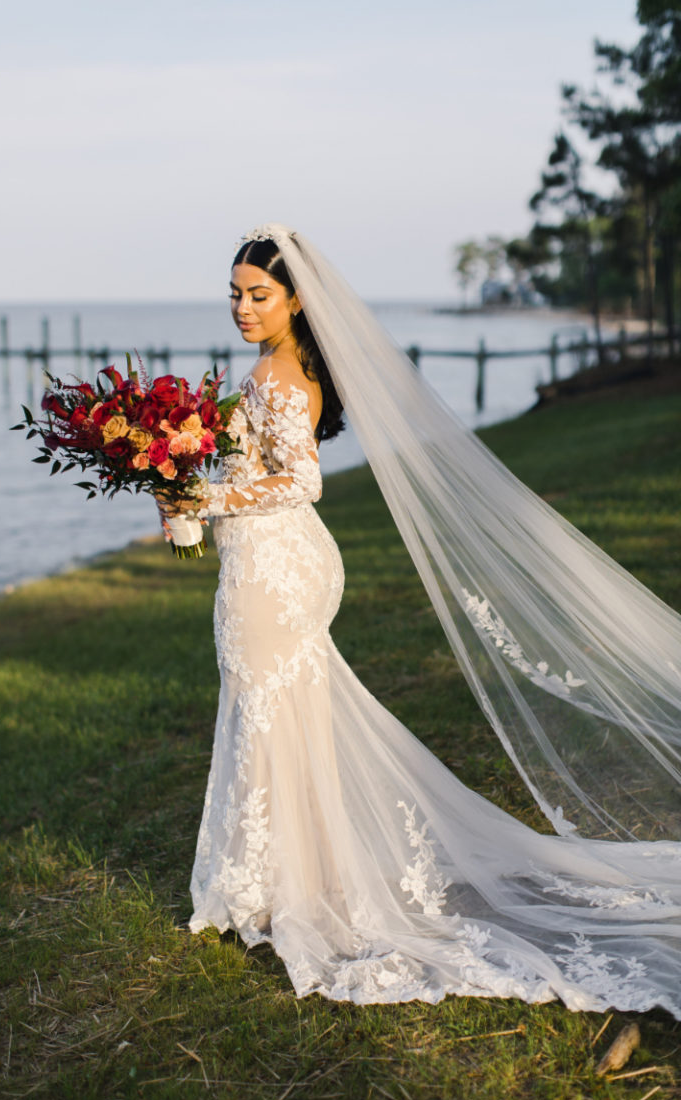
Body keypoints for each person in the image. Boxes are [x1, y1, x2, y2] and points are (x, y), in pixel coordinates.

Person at [158, 225, 681, 1015]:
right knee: (279, 715)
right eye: (234, 293)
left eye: (257, 294)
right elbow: (253, 467)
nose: (242, 306)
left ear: (295, 300)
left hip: (278, 568)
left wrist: (209, 498)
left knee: (270, 713)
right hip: (269, 562)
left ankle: (286, 889)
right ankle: (284, 879)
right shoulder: (271, 369)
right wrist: (192, 501)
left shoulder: (282, 377)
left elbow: (301, 481)